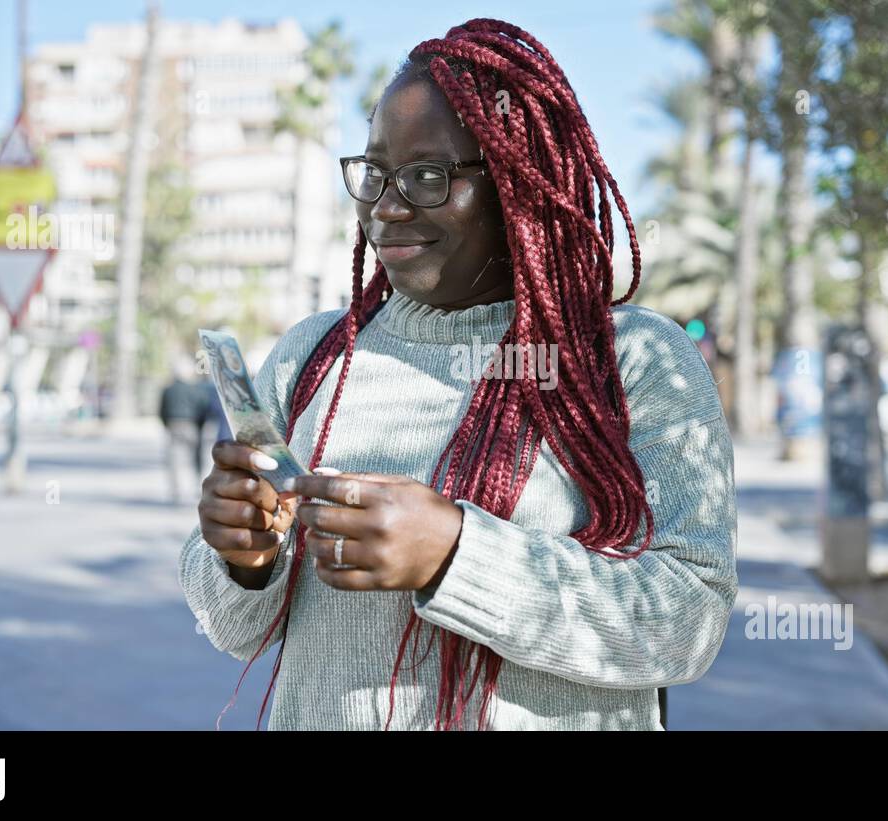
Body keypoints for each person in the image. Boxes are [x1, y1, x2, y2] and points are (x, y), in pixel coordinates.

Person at [179, 19, 738, 731]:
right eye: (376, 173)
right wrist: (244, 559)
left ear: (517, 183)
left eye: (428, 176)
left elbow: (687, 619)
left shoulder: (633, 361)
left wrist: (454, 552)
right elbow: (235, 630)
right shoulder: (312, 354)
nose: (385, 204)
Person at [159, 357, 209, 505]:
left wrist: (166, 424)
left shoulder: (168, 389)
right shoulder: (195, 389)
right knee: (195, 457)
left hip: (174, 425)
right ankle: (197, 484)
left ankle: (176, 490)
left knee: (174, 460)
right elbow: (203, 408)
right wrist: (201, 425)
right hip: (191, 426)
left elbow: (162, 409)